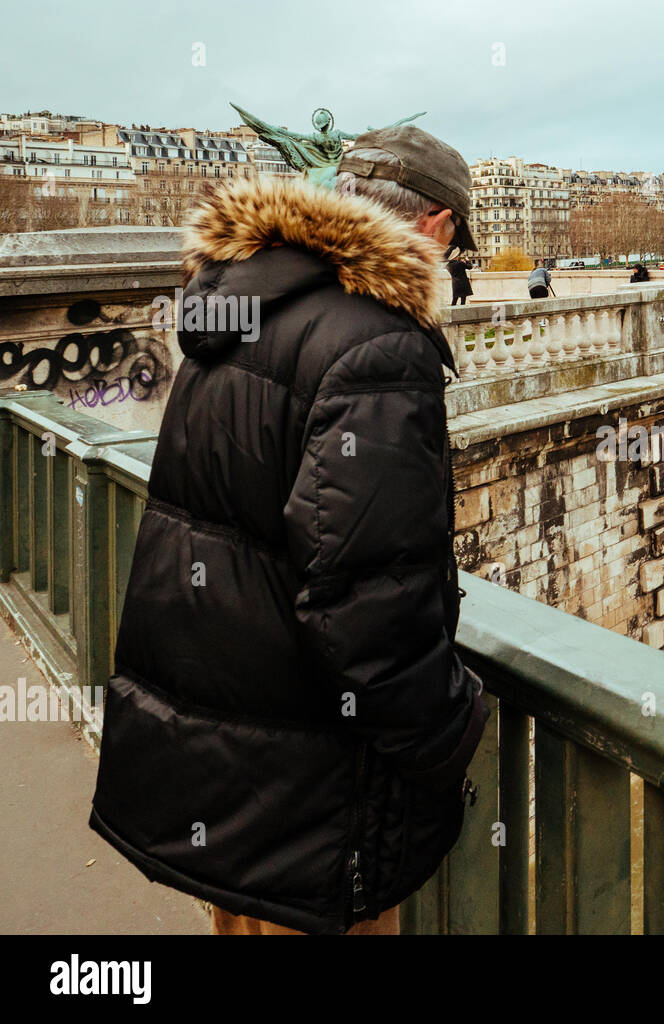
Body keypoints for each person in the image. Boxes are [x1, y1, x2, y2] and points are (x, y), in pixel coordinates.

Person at [88, 125, 490, 936]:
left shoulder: (240, 305)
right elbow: (366, 600)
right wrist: (448, 737)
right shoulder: (378, 341)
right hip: (314, 790)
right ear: (438, 226)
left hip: (231, 766)